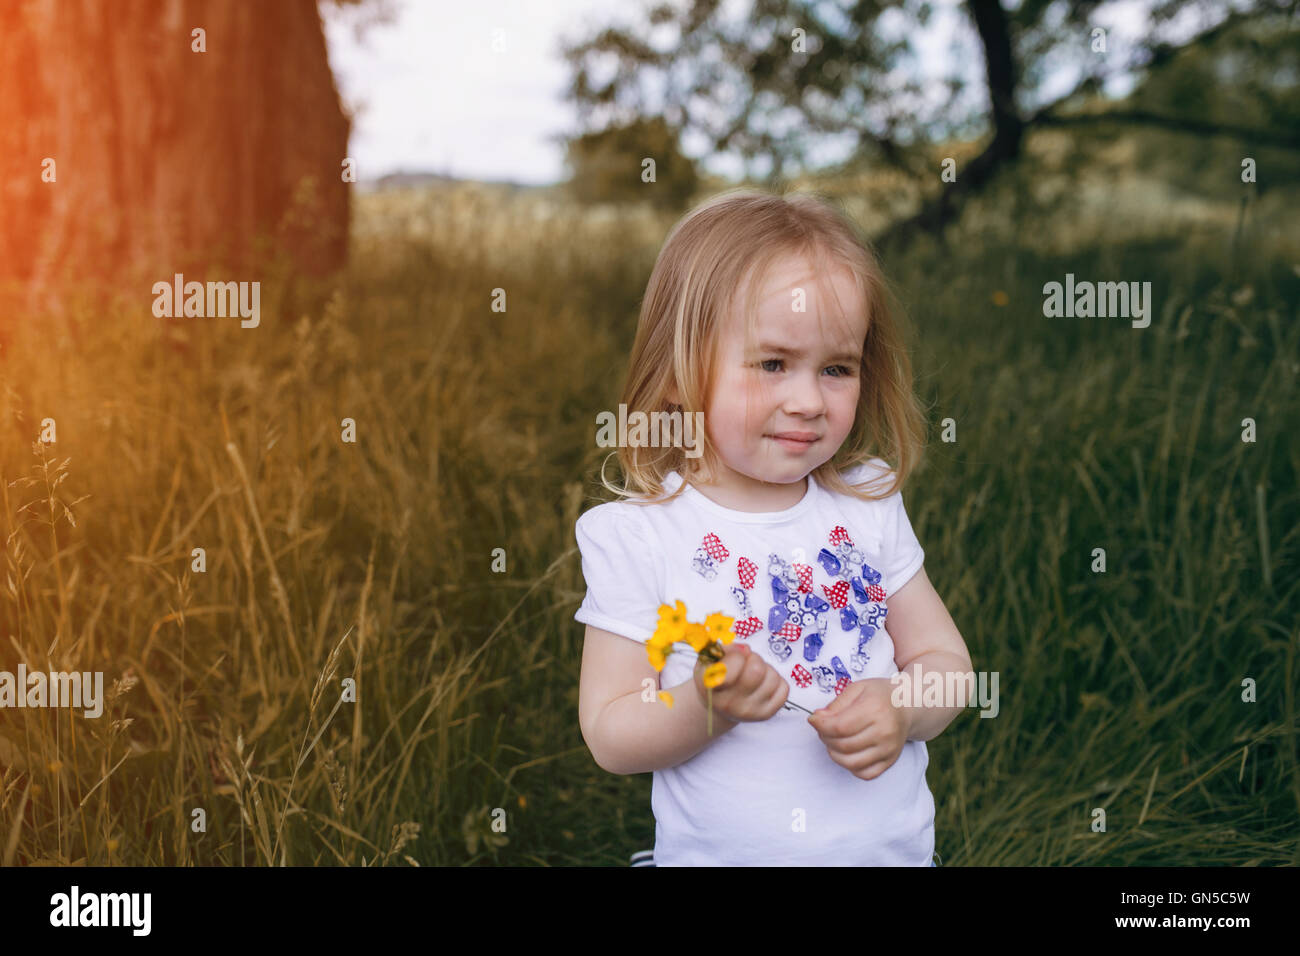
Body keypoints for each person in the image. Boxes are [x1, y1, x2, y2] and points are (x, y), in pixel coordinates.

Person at [574, 188, 972, 866]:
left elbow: (951, 669)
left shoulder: (866, 505)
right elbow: (611, 732)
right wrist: (707, 704)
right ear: (678, 372)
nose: (809, 400)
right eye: (772, 364)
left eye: (837, 369)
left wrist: (903, 707)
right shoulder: (642, 537)